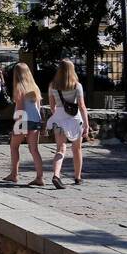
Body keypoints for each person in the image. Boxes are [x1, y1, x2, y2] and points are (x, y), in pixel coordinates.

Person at [47, 58, 92, 188]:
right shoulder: (77, 86)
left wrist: (58, 114)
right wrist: (86, 124)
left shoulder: (52, 85)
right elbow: (82, 106)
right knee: (76, 148)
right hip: (74, 119)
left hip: (59, 118)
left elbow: (52, 106)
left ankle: (56, 175)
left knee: (60, 149)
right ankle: (77, 177)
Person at [5, 62, 46, 185]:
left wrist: (16, 125)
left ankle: (14, 174)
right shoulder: (35, 87)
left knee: (14, 146)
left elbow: (21, 109)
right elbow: (38, 107)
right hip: (35, 120)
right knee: (34, 149)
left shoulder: (19, 87)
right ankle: (40, 177)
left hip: (23, 120)